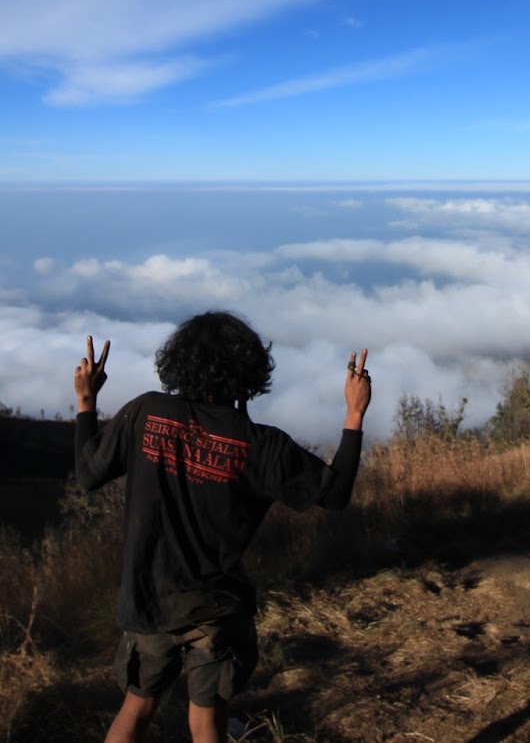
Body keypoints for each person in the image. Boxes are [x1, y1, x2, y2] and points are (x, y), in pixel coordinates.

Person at [72, 311, 374, 743]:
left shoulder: (146, 412)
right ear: (249, 371)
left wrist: (86, 401)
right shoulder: (260, 445)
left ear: (179, 362)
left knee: (137, 709)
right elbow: (335, 492)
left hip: (149, 601)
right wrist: (355, 412)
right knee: (207, 724)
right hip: (216, 610)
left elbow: (87, 473)